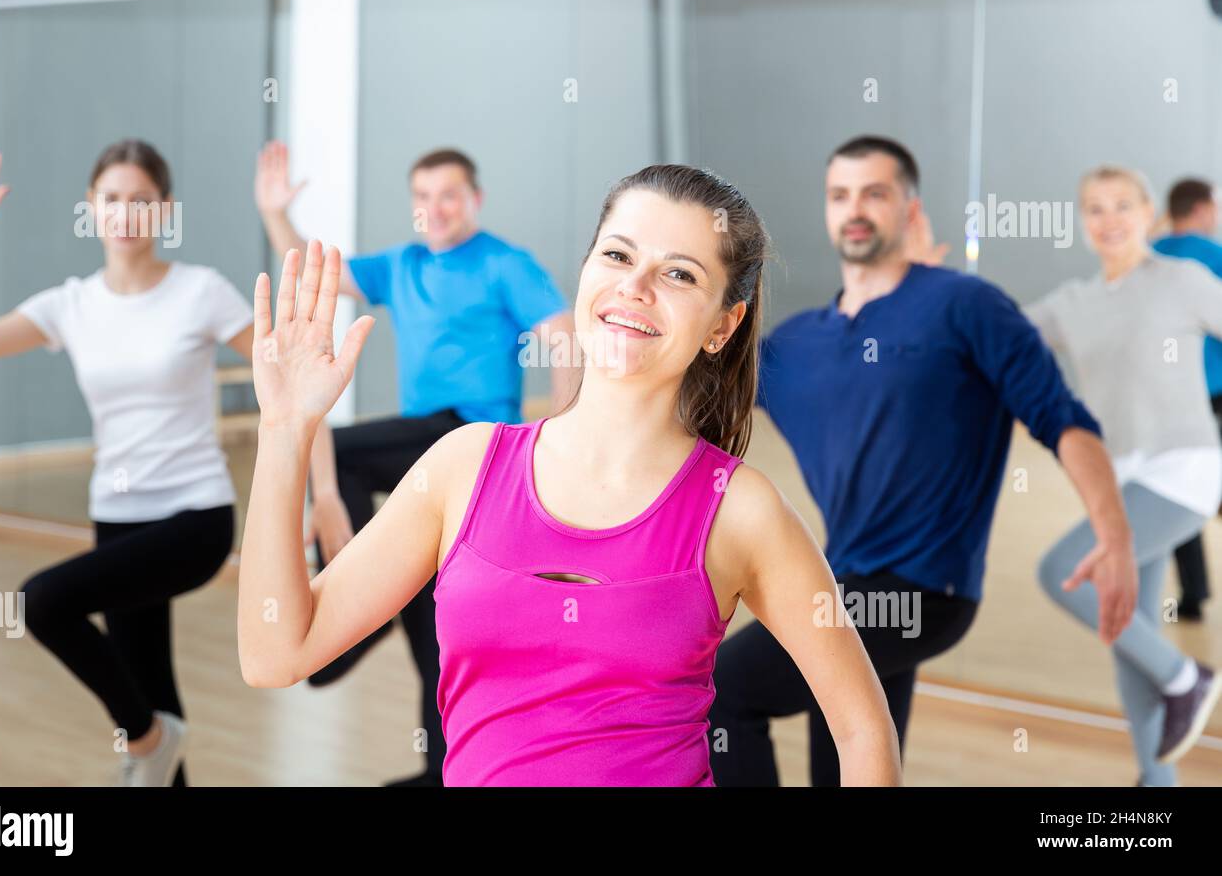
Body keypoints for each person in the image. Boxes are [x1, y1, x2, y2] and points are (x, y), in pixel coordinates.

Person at [237, 164, 904, 786]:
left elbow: (863, 730)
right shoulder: (462, 465)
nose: (634, 288)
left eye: (679, 275)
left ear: (723, 326)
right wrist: (285, 430)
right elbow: (275, 654)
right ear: (585, 270)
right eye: (617, 256)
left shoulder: (741, 511)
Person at [707, 135, 1138, 787]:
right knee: (851, 754)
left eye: (874, 193)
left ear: (909, 208)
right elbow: (703, 393)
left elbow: (1063, 418)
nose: (855, 209)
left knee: (725, 693)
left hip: (921, 591)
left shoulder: (965, 306)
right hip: (845, 586)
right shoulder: (795, 347)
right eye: (840, 195)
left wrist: (1115, 534)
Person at [0, 142, 263, 785]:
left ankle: (144, 742)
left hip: (196, 516)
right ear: (92, 208)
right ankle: (156, 744)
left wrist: (316, 489)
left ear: (165, 211)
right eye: (112, 199)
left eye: (142, 201)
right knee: (152, 691)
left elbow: (283, 374)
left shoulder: (200, 291)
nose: (126, 214)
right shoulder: (71, 305)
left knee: (44, 601)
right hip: (117, 514)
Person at [253, 143, 574, 785]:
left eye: (448, 195)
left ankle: (350, 598)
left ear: (475, 200)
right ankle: (441, 770)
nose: (435, 208)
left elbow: (563, 335)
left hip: (473, 435)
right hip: (424, 461)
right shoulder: (402, 265)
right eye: (423, 198)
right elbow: (323, 277)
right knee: (433, 616)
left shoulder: (504, 263)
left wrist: (562, 436)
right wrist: (274, 215)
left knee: (339, 450)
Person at [1028, 166, 1222, 786]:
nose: (1109, 219)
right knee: (1125, 624)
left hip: (1182, 472)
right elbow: (997, 334)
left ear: (1148, 214)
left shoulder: (1183, 280)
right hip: (1122, 483)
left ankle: (1185, 678)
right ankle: (1156, 785)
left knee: (1062, 571)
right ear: (1083, 222)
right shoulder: (1074, 303)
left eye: (1122, 205)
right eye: (1094, 208)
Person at [1150, 177, 1222, 620]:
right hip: (1213, 394)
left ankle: (1193, 596)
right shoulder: (1214, 256)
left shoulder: (1148, 255)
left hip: (1165, 398)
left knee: (1177, 490)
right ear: (1199, 209)